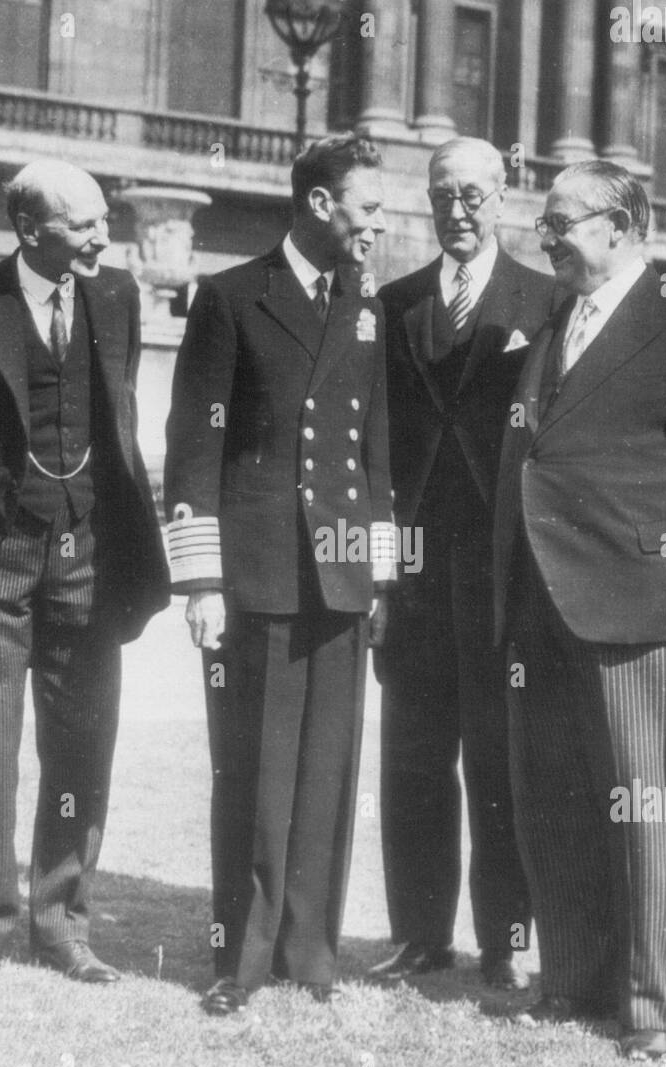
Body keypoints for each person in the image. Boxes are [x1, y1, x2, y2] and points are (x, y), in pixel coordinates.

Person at [491, 161, 666, 1058]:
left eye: (562, 221)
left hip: (643, 604)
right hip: (541, 598)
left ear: (623, 222)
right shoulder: (552, 318)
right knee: (552, 796)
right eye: (544, 221)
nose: (546, 236)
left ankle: (647, 1007)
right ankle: (570, 981)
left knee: (641, 803)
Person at [0, 160, 169, 987]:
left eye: (104, 220)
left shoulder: (117, 296)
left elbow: (119, 407)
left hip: (90, 555)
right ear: (31, 231)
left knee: (82, 742)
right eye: (85, 223)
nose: (104, 235)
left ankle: (61, 923)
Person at [164, 133, 394, 1015]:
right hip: (255, 571)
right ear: (321, 204)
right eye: (367, 209)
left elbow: (375, 454)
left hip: (338, 574)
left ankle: (310, 950)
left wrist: (380, 581)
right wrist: (201, 583)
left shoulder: (363, 307)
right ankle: (242, 957)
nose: (377, 226)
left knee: (329, 770)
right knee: (254, 767)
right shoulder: (231, 298)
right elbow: (194, 448)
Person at [369, 137, 555, 991]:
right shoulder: (395, 304)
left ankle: (506, 941)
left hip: (504, 572)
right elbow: (373, 453)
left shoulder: (546, 302)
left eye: (476, 194)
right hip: (412, 572)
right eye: (445, 194)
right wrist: (379, 571)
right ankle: (418, 936)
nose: (460, 209)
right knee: (411, 757)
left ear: (505, 196)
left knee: (499, 760)